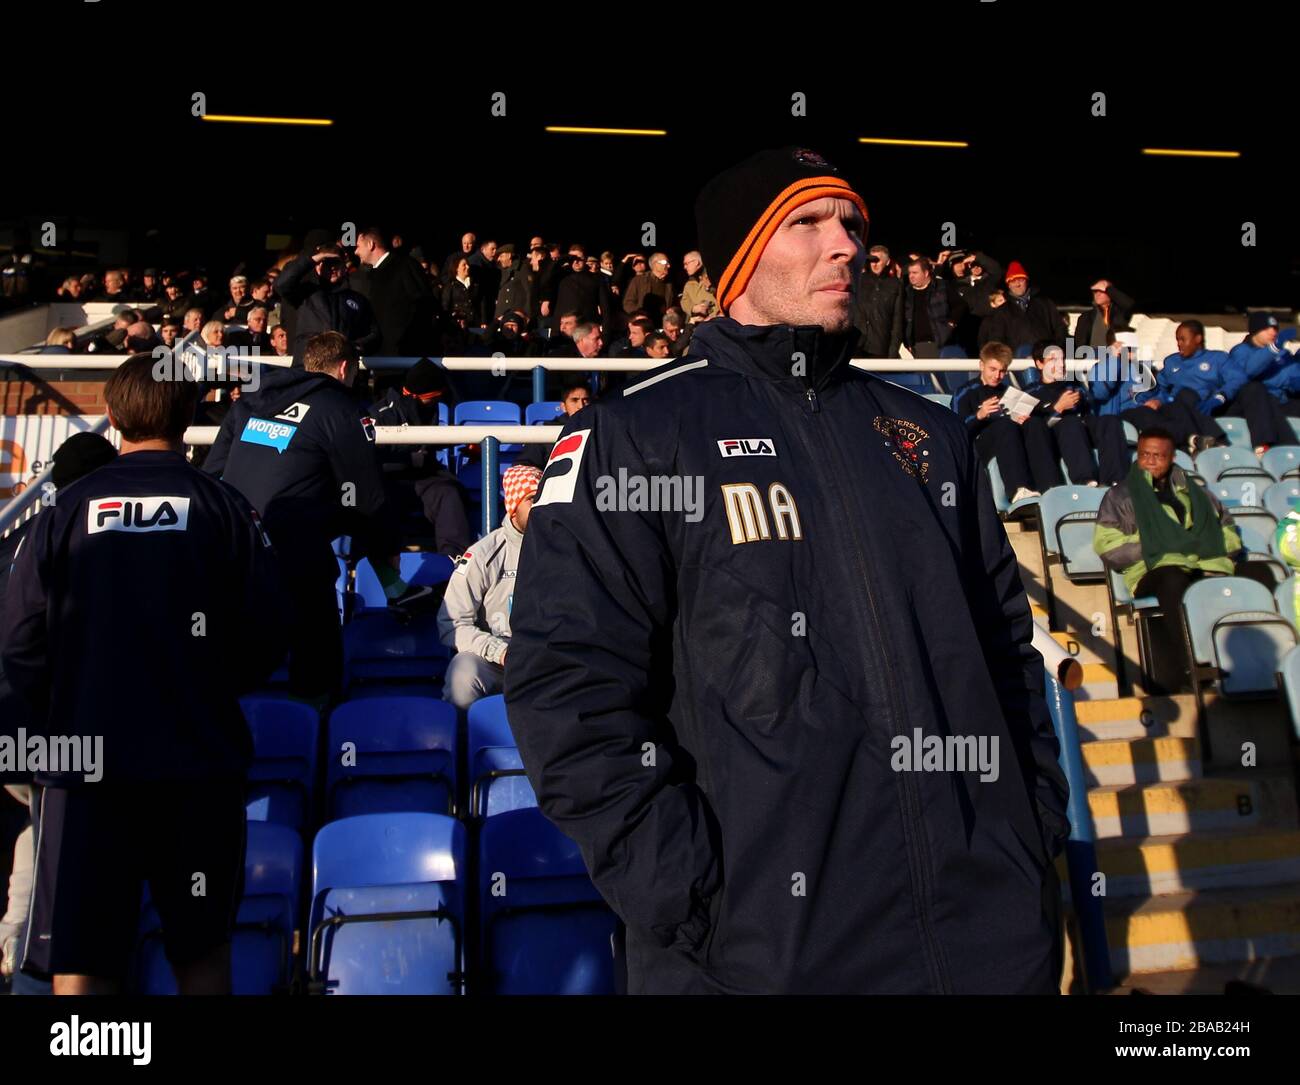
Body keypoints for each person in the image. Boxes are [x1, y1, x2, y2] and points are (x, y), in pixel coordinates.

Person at [505, 146, 1069, 995]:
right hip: (767, 959)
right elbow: (568, 695)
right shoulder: (639, 438)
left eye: (851, 223)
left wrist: (1030, 834)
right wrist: (700, 905)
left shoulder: (927, 438)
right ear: (739, 259)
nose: (846, 245)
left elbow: (1007, 659)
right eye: (808, 222)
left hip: (988, 944)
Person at [0, 354, 288, 995]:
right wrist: (204, 686)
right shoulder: (226, 508)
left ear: (111, 416)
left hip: (85, 773)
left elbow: (18, 647)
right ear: (189, 417)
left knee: (81, 959)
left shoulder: (62, 512)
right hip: (197, 764)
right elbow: (269, 633)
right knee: (202, 953)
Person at [204, 332, 429, 703]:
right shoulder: (340, 409)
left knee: (238, 675)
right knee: (316, 665)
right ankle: (316, 730)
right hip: (297, 556)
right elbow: (367, 497)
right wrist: (388, 562)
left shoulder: (252, 401)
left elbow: (213, 474)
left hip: (235, 551)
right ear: (344, 368)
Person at [1094, 428, 1272, 694]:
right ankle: (1195, 664)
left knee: (1260, 572)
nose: (1151, 461)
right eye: (1145, 455)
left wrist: (1209, 547)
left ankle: (1266, 662)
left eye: (1159, 456)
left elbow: (1227, 529)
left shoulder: (1196, 492)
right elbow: (1106, 545)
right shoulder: (1120, 496)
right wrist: (1156, 545)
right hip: (1153, 569)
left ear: (1173, 457)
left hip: (1205, 564)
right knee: (1173, 578)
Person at [438, 463, 541, 711]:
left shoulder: (566, 550)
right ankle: (464, 742)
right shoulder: (483, 554)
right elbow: (450, 624)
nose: (540, 507)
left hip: (547, 658)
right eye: (532, 499)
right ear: (514, 506)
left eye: (543, 498)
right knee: (463, 673)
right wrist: (499, 651)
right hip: (497, 659)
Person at [370, 358, 473, 556]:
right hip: (390, 482)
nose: (436, 401)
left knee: (449, 493)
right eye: (433, 397)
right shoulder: (380, 415)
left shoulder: (429, 407)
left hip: (425, 479)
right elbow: (373, 458)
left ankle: (454, 560)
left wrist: (462, 441)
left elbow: (426, 442)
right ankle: (386, 563)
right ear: (416, 394)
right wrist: (412, 459)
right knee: (378, 502)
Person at [952, 340, 1061, 502]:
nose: (997, 376)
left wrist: (1023, 419)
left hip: (1008, 437)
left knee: (1034, 424)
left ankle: (1050, 486)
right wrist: (979, 415)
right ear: (981, 366)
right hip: (977, 445)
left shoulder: (1008, 391)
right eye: (993, 369)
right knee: (1005, 425)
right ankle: (1018, 489)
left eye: (1002, 371)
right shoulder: (965, 392)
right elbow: (956, 430)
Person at [1022, 340, 1130, 485]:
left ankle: (1115, 481)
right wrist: (1058, 408)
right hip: (1057, 436)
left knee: (1109, 421)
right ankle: (1085, 480)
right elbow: (1035, 430)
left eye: (1062, 359)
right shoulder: (1031, 392)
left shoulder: (1073, 384)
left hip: (1082, 429)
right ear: (1040, 364)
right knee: (1070, 423)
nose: (1061, 364)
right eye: (1053, 360)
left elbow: (1089, 402)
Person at [273, 243, 381, 363]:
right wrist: (315, 258)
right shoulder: (304, 292)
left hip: (341, 368)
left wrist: (353, 347)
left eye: (336, 263)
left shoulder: (358, 299)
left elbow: (374, 334)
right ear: (318, 267)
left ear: (344, 266)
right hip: (308, 366)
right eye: (327, 263)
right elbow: (281, 284)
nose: (332, 268)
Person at [1218, 312, 1300, 455]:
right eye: (1267, 328)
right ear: (1255, 330)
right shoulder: (1241, 351)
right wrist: (1273, 349)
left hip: (1277, 403)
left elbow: (1293, 380)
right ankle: (1263, 446)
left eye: (1275, 328)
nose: (1273, 332)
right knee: (1255, 388)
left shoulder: (1283, 354)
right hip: (1248, 406)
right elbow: (1249, 371)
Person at [353, 226, 436, 356]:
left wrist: (405, 341)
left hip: (407, 358)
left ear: (370, 245)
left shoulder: (405, 266)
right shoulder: (370, 275)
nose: (356, 252)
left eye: (358, 246)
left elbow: (423, 305)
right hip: (382, 359)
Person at [979, 261, 1067, 354]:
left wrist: (1055, 349)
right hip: (1016, 360)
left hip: (1045, 356)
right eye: (1013, 281)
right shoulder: (1002, 311)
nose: (1017, 284)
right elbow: (997, 338)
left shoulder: (1045, 304)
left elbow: (1060, 328)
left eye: (1020, 280)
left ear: (1026, 281)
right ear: (1008, 284)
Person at [514, 381, 592, 470]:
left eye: (586, 400)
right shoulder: (546, 431)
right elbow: (524, 465)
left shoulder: (600, 429)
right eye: (574, 400)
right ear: (563, 406)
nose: (580, 406)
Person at [902, 255, 966, 358]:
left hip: (941, 343)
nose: (911, 276)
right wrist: (906, 342)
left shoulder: (942, 286)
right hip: (917, 345)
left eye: (915, 273)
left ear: (926, 273)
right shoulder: (907, 292)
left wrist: (950, 324)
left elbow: (960, 305)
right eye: (910, 273)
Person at [853, 244, 903, 358]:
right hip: (856, 345)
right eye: (871, 261)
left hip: (880, 346)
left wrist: (893, 352)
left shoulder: (895, 285)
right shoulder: (858, 280)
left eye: (877, 260)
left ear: (887, 262)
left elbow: (897, 320)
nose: (874, 264)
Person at [1072, 279, 1135, 352]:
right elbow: (1080, 342)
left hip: (1116, 353)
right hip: (1093, 354)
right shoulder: (1085, 316)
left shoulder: (1119, 313)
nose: (1097, 294)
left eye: (1101, 291)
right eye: (1095, 292)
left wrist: (1108, 288)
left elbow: (1129, 304)